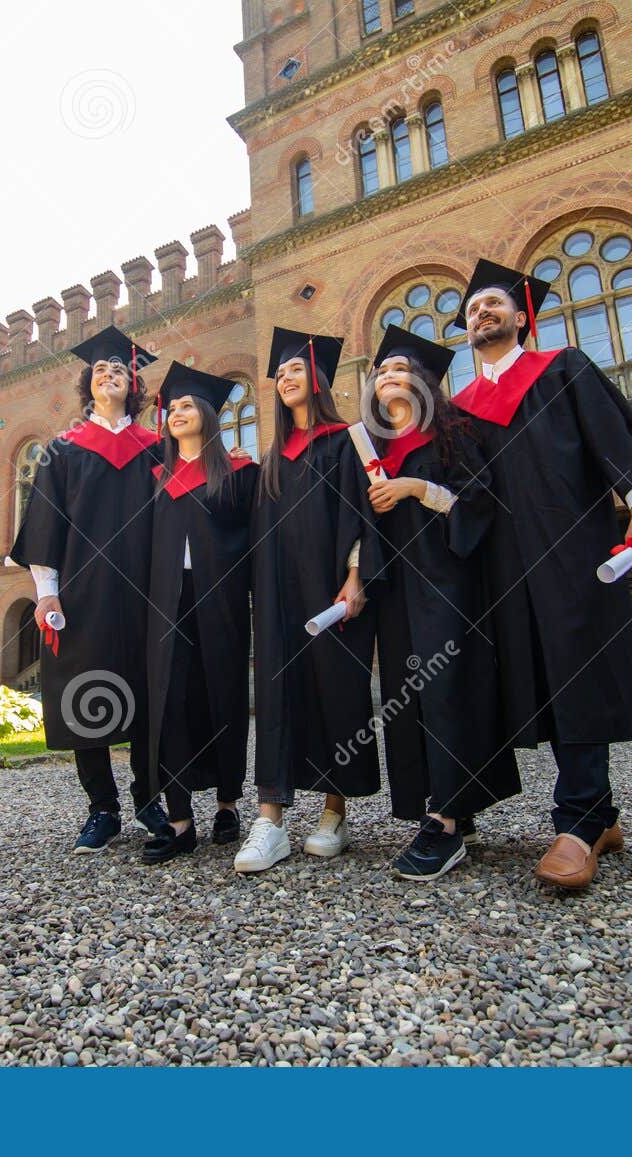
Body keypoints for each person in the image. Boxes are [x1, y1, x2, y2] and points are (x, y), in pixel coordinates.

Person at [452, 258, 632, 889]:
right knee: (535, 678)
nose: (481, 313)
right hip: (502, 564)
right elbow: (464, 495)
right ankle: (598, 813)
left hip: (573, 549)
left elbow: (614, 438)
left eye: (493, 304)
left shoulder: (563, 369)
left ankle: (578, 819)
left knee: (577, 671)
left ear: (522, 316)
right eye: (472, 309)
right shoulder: (463, 407)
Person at [361, 326, 520, 881]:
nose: (389, 378)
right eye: (381, 372)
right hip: (397, 585)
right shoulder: (373, 451)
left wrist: (412, 489)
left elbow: (477, 504)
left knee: (448, 688)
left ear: (424, 383)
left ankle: (446, 822)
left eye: (400, 370)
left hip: (447, 579)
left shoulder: (451, 435)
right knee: (408, 696)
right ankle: (442, 803)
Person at [7, 324, 170, 854]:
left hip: (149, 589)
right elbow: (44, 522)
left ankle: (149, 799)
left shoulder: (157, 448)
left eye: (119, 369)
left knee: (149, 691)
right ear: (88, 383)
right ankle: (103, 808)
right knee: (85, 691)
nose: (110, 375)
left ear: (134, 385)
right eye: (101, 369)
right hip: (84, 589)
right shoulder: (64, 449)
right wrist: (46, 591)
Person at [236, 328, 385, 874]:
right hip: (278, 596)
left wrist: (355, 577)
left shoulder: (347, 440)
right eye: (281, 374)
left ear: (318, 380)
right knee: (275, 694)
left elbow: (365, 512)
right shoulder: (274, 458)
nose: (286, 378)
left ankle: (333, 812)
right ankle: (271, 818)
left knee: (336, 691)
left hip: (330, 589)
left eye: (298, 370)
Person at [141, 364, 259, 864]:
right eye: (172, 409)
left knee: (224, 692)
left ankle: (229, 803)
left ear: (208, 415)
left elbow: (259, 541)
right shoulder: (154, 479)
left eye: (188, 406)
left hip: (223, 598)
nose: (177, 414)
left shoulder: (239, 471)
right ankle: (179, 816)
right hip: (167, 600)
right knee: (171, 699)